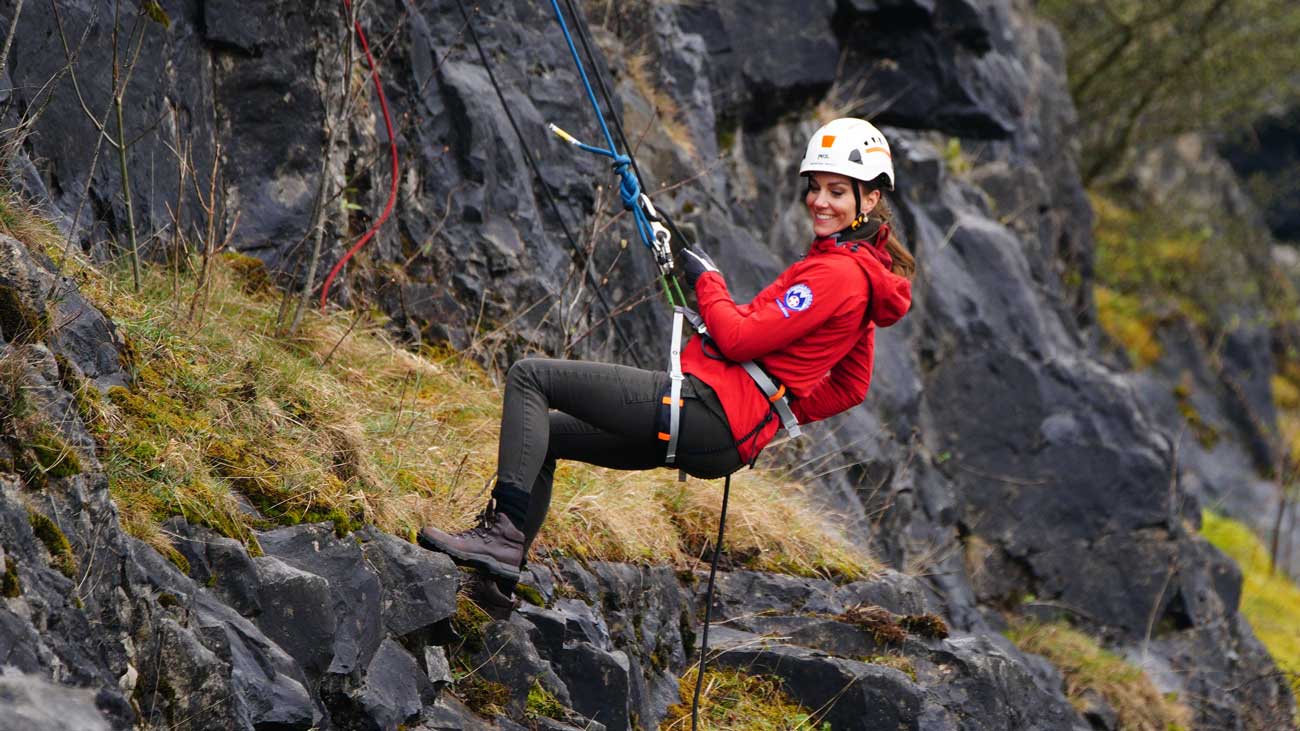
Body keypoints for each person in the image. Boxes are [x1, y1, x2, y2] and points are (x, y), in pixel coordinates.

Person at [418, 118, 914, 611]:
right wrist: (769, 412)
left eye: (838, 192)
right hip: (723, 433)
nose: (820, 202)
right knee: (545, 437)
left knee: (531, 377)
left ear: (869, 200)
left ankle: (500, 535)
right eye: (816, 188)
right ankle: (496, 584)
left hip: (707, 410)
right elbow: (852, 385)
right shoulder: (866, 278)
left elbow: (739, 338)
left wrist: (709, 281)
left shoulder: (837, 274)